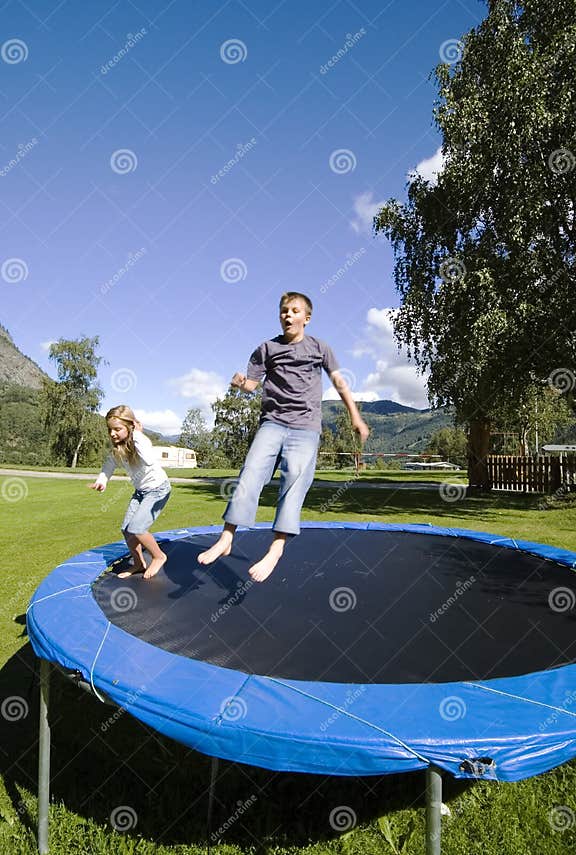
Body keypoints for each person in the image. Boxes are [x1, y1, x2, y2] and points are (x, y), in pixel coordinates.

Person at [198, 291, 369, 582]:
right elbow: (252, 386)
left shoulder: (320, 348)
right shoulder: (266, 349)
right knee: (250, 473)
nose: (287, 315)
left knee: (294, 483)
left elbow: (339, 381)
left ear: (307, 317)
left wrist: (354, 415)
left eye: (294, 310)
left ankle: (276, 549)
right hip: (272, 423)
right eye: (283, 311)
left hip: (305, 428)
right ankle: (227, 537)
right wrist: (239, 384)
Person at [90, 405, 171, 580]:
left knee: (138, 528)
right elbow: (109, 465)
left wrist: (138, 435)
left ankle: (159, 556)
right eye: (110, 430)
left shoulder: (140, 441)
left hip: (158, 490)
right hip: (141, 492)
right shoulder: (118, 449)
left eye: (117, 429)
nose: (112, 434)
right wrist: (102, 480)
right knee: (126, 530)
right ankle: (139, 563)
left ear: (130, 426)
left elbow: (149, 460)